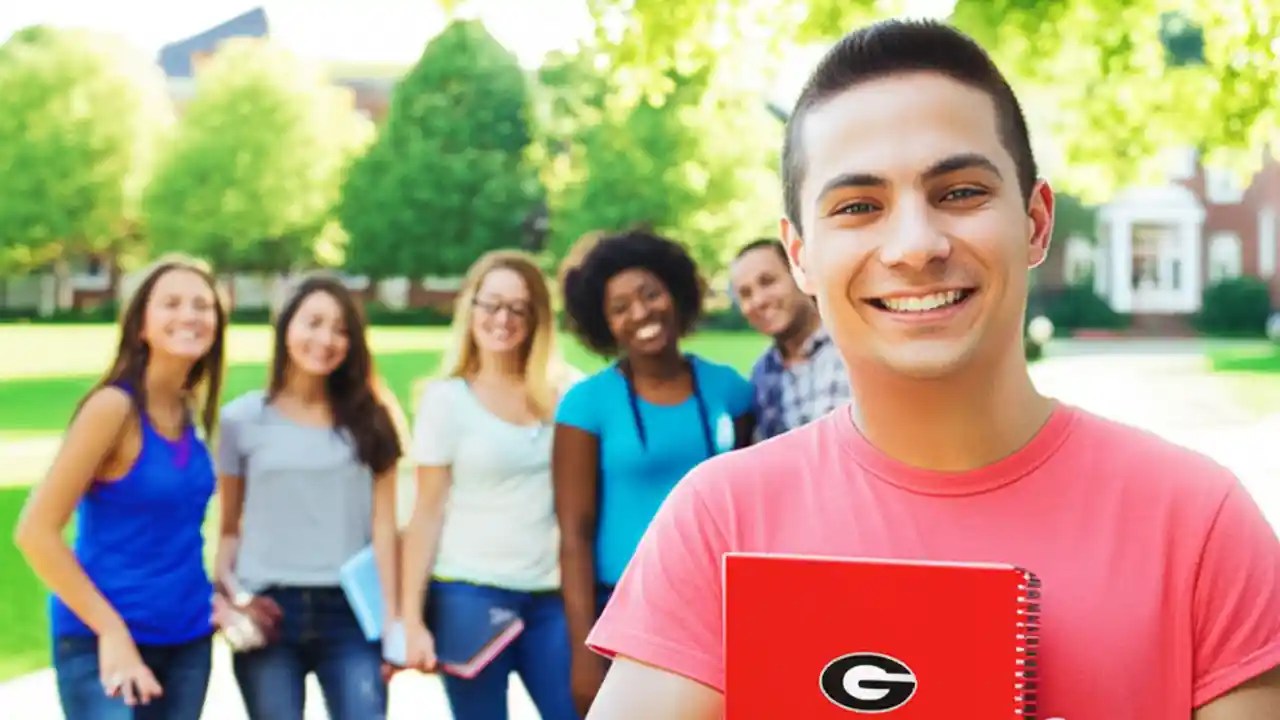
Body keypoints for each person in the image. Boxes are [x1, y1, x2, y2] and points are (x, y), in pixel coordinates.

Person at [581, 19, 1280, 720]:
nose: (915, 245)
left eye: (960, 192)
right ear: (801, 255)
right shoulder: (720, 522)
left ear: (1036, 222)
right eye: (859, 207)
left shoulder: (1200, 524)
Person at [551, 229, 756, 716]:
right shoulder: (586, 404)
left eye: (650, 294)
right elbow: (574, 536)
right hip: (624, 614)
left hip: (719, 613)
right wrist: (584, 654)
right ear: (604, 323)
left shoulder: (730, 390)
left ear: (675, 294)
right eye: (620, 306)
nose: (641, 313)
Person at [14, 256, 228, 720]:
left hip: (188, 641)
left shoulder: (191, 413)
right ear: (140, 325)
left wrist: (224, 597)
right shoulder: (112, 408)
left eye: (203, 305)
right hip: (102, 641)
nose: (190, 315)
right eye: (171, 303)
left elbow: (177, 530)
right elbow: (35, 532)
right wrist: (112, 632)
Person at [212, 275, 404, 720]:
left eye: (341, 329)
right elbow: (227, 529)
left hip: (352, 614)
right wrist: (233, 597)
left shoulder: (373, 420)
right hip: (270, 612)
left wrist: (392, 620)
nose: (326, 339)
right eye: (314, 323)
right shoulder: (241, 420)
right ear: (285, 328)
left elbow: (384, 529)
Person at [399, 249, 580, 720]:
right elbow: (426, 513)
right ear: (470, 308)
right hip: (468, 596)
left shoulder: (568, 395)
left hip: (550, 599)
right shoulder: (446, 400)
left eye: (519, 308)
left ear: (537, 318)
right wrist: (411, 621)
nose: (503, 319)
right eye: (491, 304)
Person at [729, 237, 852, 440]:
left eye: (767, 281)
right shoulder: (762, 373)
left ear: (800, 275)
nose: (758, 300)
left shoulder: (853, 346)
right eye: (745, 294)